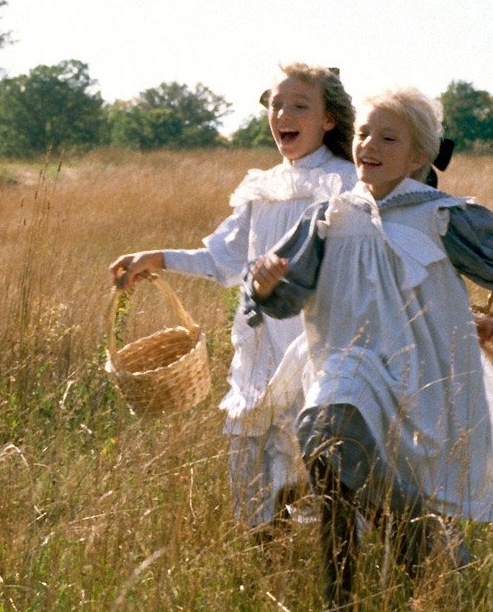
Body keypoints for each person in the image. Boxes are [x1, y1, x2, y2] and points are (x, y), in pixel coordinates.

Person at [245, 86, 493, 612]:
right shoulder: (329, 217)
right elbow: (287, 290)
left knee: (337, 484)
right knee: (324, 430)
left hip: (420, 371)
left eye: (387, 138)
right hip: (344, 360)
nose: (369, 145)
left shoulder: (441, 215)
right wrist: (267, 283)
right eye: (363, 134)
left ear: (419, 155)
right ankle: (412, 553)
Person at [109, 63, 358, 533]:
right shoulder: (261, 188)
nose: (283, 113)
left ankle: (334, 589)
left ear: (328, 119)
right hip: (258, 360)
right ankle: (265, 568)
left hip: (317, 359)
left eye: (300, 105)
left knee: (322, 495)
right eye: (276, 104)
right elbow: (220, 260)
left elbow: (369, 273)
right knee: (252, 506)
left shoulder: (346, 184)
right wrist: (156, 258)